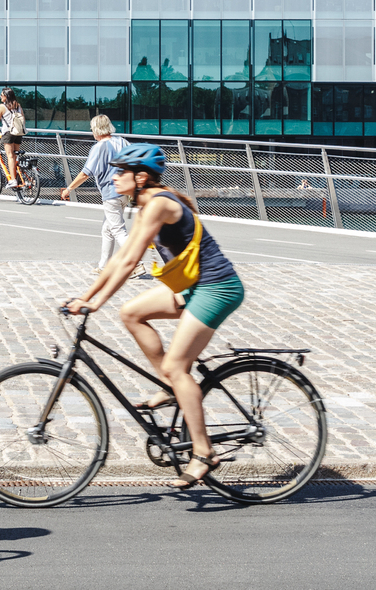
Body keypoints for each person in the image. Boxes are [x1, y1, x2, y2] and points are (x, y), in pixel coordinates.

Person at [65, 142, 245, 490]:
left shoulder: (159, 204)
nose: (115, 178)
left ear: (141, 177)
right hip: (193, 285)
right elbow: (121, 259)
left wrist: (93, 304)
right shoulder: (150, 203)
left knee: (178, 368)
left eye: (122, 173)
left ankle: (203, 451)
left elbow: (130, 262)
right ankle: (170, 386)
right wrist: (86, 297)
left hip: (216, 288)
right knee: (131, 312)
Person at [59, 114, 130, 266]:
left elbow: (85, 173)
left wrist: (69, 189)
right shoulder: (122, 141)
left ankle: (135, 263)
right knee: (107, 229)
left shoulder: (98, 148)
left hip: (111, 194)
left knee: (118, 230)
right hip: (126, 192)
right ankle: (103, 266)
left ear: (97, 130)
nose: (92, 132)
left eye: (92, 129)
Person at [0, 87, 28, 191]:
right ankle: (18, 176)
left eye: (1, 95)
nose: (0, 97)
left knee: (10, 156)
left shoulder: (2, 107)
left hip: (8, 133)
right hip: (18, 133)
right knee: (15, 156)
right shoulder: (18, 106)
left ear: (6, 96)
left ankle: (13, 180)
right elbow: (23, 119)